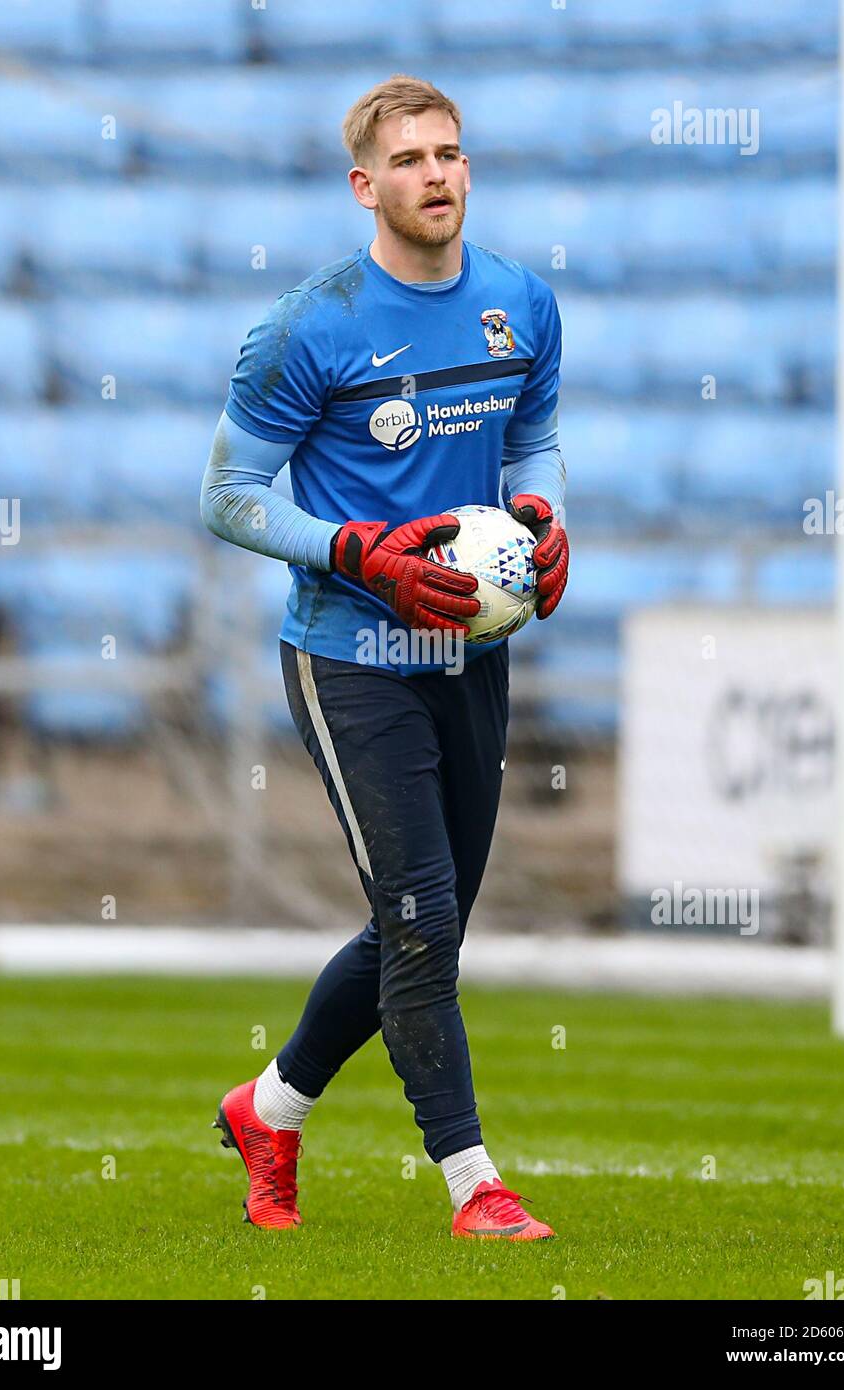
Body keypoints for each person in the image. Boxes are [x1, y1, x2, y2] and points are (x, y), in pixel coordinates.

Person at [201, 73, 568, 1239]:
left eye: (448, 154)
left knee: (427, 916)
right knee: (419, 917)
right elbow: (226, 497)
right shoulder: (308, 327)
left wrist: (543, 522)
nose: (435, 174)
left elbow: (536, 439)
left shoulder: (520, 302)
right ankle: (475, 1184)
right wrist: (358, 550)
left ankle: (268, 1109)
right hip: (349, 655)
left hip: (467, 652)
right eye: (409, 159)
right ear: (365, 185)